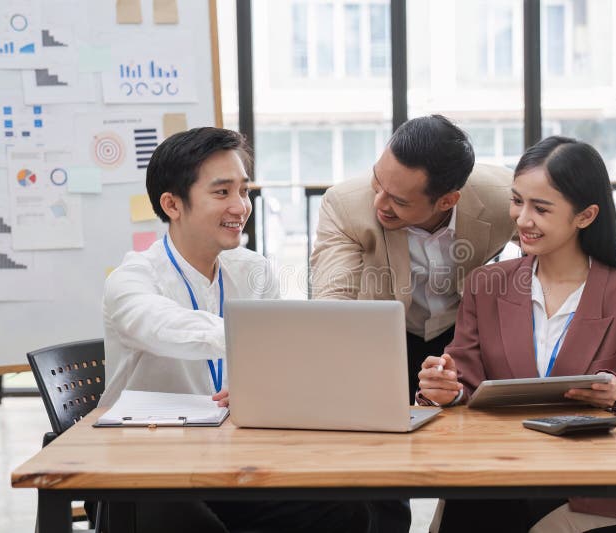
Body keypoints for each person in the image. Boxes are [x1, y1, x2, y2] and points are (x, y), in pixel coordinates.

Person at [100, 127, 403, 533]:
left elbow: (277, 368)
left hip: (229, 461)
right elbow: (164, 327)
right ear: (172, 204)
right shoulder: (131, 279)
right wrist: (265, 342)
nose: (241, 206)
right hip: (145, 468)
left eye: (243, 191)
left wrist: (269, 372)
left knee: (345, 506)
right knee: (189, 518)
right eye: (222, 192)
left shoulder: (253, 270)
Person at [417, 136, 616, 533]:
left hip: (594, 487)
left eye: (540, 208)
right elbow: (463, 379)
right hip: (498, 473)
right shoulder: (486, 285)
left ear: (585, 216)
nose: (522, 219)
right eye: (517, 201)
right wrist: (444, 387)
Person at [311, 115, 516, 403]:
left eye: (400, 201)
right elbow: (332, 297)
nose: (379, 203)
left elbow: (551, 240)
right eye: (377, 181)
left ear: (447, 201)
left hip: (463, 335)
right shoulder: (344, 205)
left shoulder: (503, 197)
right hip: (383, 336)